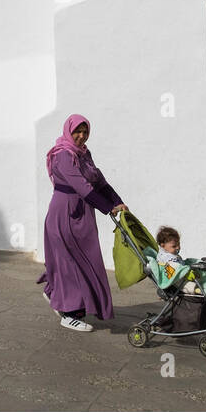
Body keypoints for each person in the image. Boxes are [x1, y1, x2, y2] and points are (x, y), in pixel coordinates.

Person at [36, 114, 128, 332]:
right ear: (69, 131)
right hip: (65, 212)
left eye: (85, 132)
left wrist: (118, 201)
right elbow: (82, 187)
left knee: (87, 259)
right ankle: (69, 313)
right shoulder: (63, 155)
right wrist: (108, 208)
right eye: (77, 131)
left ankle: (56, 294)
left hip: (83, 213)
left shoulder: (84, 154)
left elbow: (99, 181)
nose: (81, 136)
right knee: (71, 262)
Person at [154, 225, 206, 308]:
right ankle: (197, 290)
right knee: (186, 285)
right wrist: (187, 272)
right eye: (174, 246)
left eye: (178, 244)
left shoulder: (170, 254)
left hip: (182, 276)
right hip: (176, 280)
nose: (178, 248)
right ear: (163, 246)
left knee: (205, 274)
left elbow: (180, 265)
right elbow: (175, 268)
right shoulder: (166, 258)